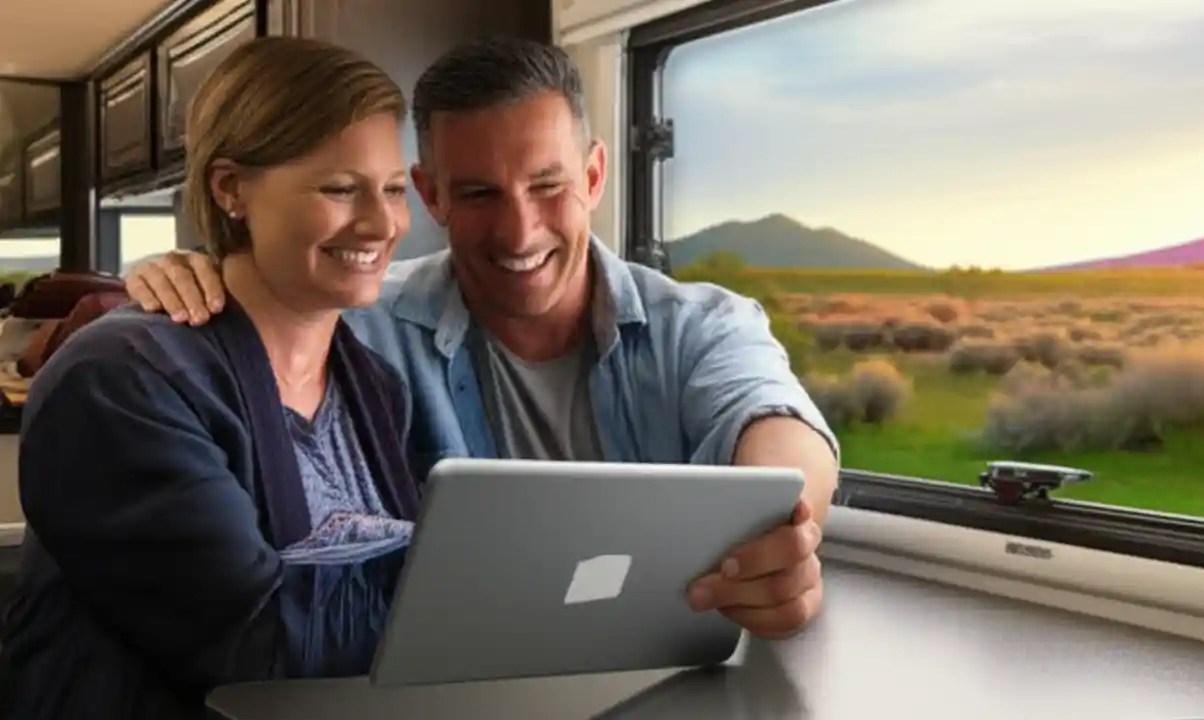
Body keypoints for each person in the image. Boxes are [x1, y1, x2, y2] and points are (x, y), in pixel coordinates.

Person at [124, 37, 841, 640]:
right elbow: (253, 307)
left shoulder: (702, 323)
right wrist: (188, 274)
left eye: (547, 186)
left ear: (593, 176)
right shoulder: (355, 321)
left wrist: (777, 529)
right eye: (478, 195)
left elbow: (773, 418)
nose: (520, 231)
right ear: (431, 195)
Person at [0, 37, 426, 719]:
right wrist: (484, 606)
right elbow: (254, 647)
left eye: (395, 190)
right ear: (229, 188)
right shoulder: (121, 383)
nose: (383, 222)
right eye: (341, 189)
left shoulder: (375, 385)